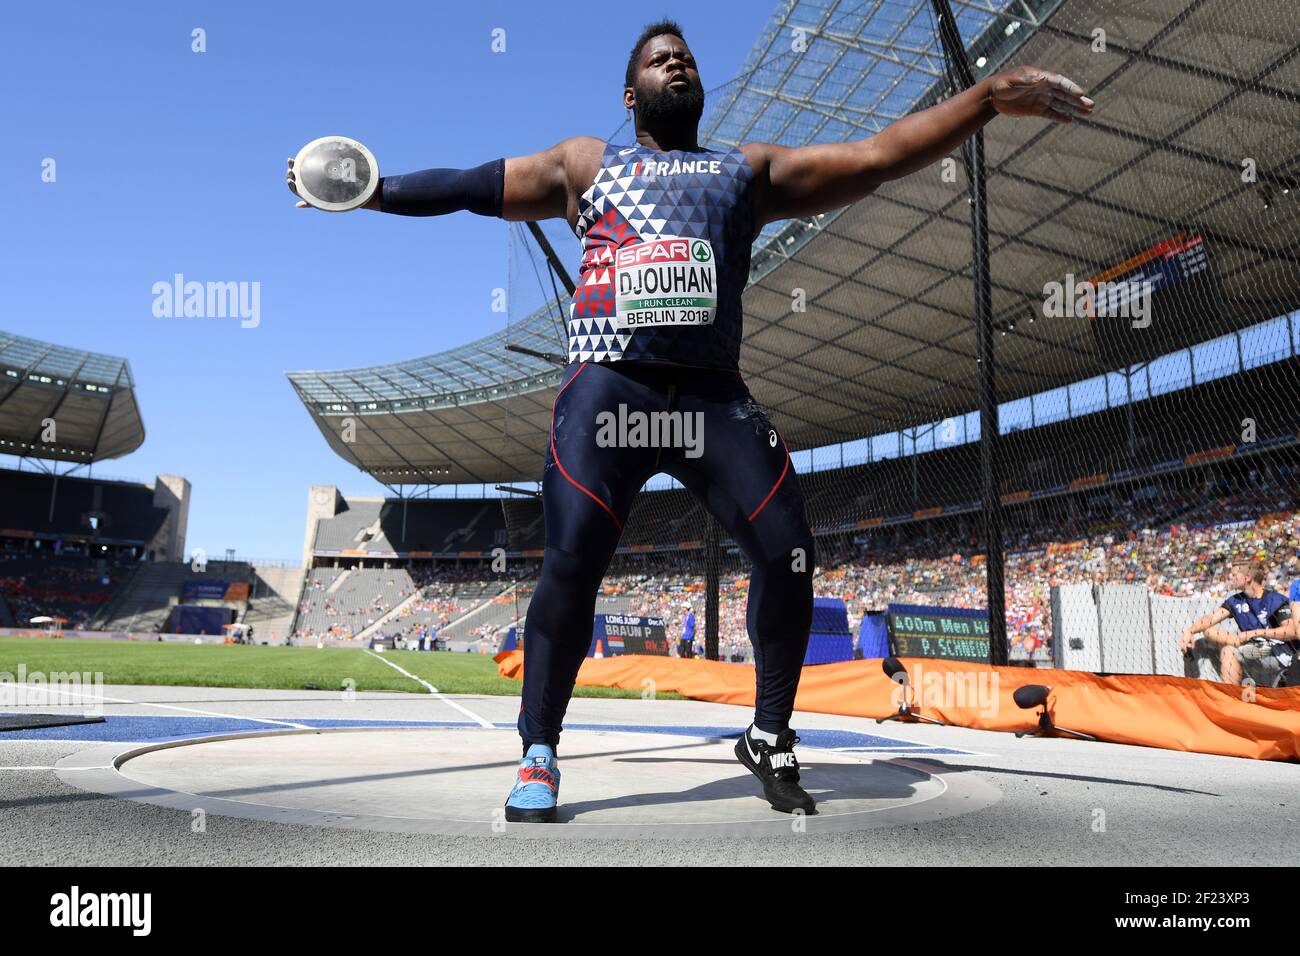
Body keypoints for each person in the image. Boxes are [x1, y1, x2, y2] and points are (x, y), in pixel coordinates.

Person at [287, 20, 1092, 823]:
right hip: (611, 389)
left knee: (789, 550)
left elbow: (879, 157)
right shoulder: (585, 164)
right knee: (572, 556)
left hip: (710, 400)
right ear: (630, 93)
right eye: (658, 58)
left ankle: (771, 732)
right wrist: (375, 189)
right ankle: (539, 749)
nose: (677, 61)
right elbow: (471, 186)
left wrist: (986, 98)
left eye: (687, 56)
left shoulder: (746, 171)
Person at [1179, 561, 1295, 686]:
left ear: (1248, 577)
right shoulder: (1235, 600)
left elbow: (1291, 631)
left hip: (1276, 651)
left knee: (1228, 651)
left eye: (1234, 575)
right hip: (1251, 646)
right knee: (1208, 630)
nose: (1231, 578)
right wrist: (1189, 631)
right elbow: (1209, 618)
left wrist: (1255, 633)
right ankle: (1237, 648)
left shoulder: (1274, 599)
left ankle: (1229, 697)